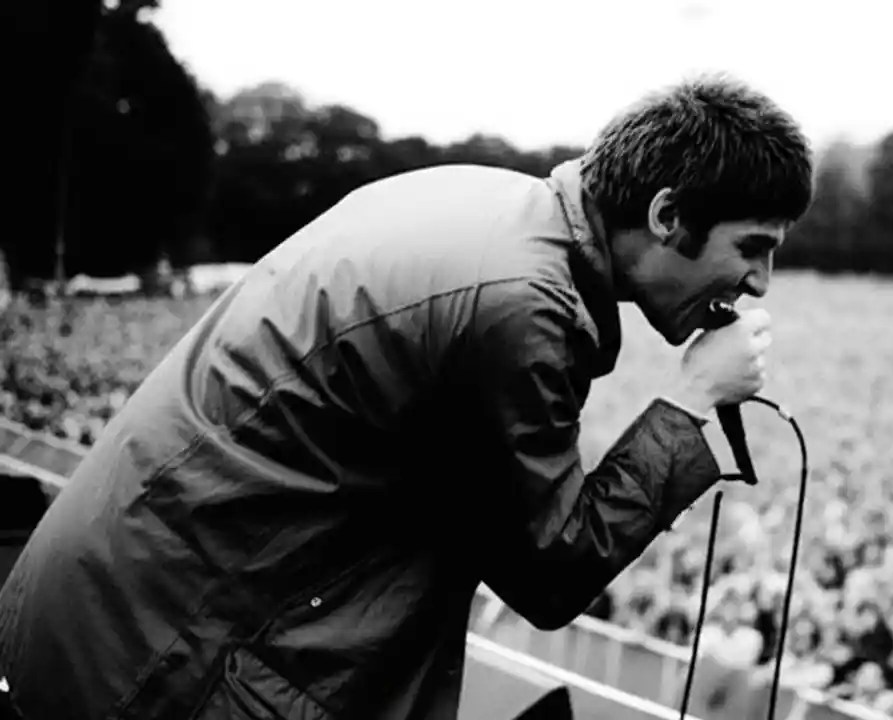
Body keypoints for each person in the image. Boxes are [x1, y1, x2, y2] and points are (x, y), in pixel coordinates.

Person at [0, 74, 814, 719]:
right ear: (668, 215)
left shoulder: (488, 206)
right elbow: (551, 576)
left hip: (118, 609)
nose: (759, 283)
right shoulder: (523, 304)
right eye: (753, 247)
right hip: (175, 659)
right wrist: (689, 403)